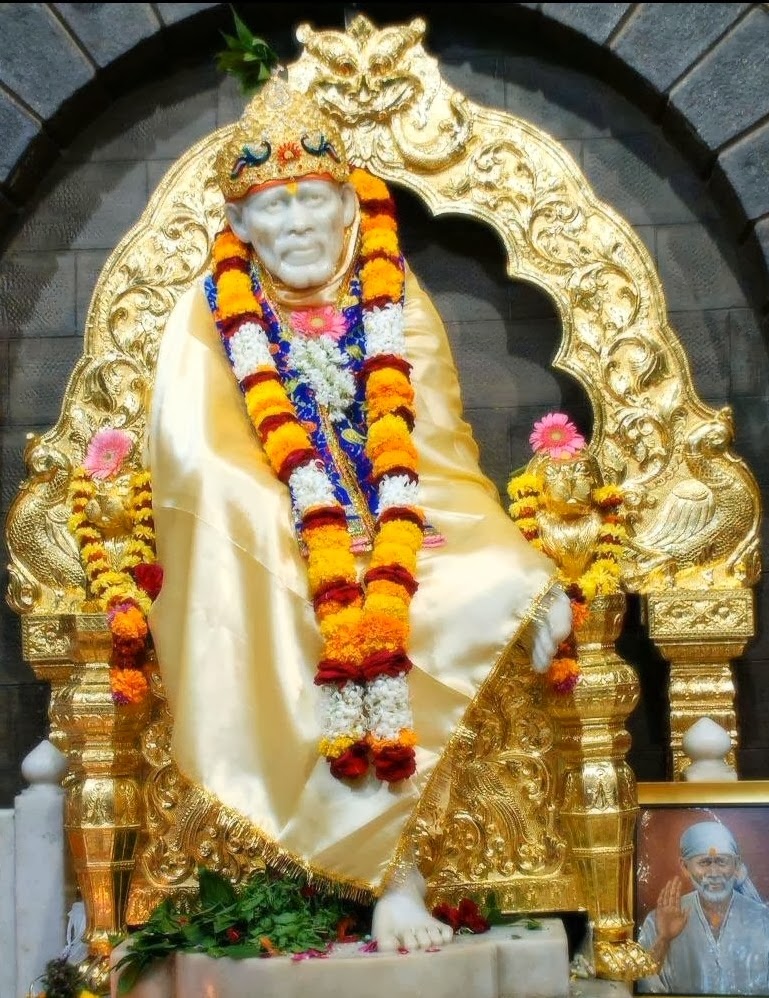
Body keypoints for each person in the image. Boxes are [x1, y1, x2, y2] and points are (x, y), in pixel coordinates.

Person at [146, 76, 571, 951]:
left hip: (407, 519)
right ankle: (392, 876)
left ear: (350, 209)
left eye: (311, 200)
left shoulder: (394, 297)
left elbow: (440, 448)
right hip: (272, 538)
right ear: (238, 226)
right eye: (273, 205)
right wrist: (303, 523)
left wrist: (520, 567)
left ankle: (421, 862)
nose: (296, 224)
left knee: (493, 582)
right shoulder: (206, 312)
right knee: (311, 601)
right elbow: (197, 458)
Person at [637, 820, 769, 994]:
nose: (714, 874)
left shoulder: (762, 919)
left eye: (722, 862)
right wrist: (663, 939)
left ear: (736, 865)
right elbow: (641, 985)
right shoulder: (657, 921)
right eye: (705, 863)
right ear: (685, 867)